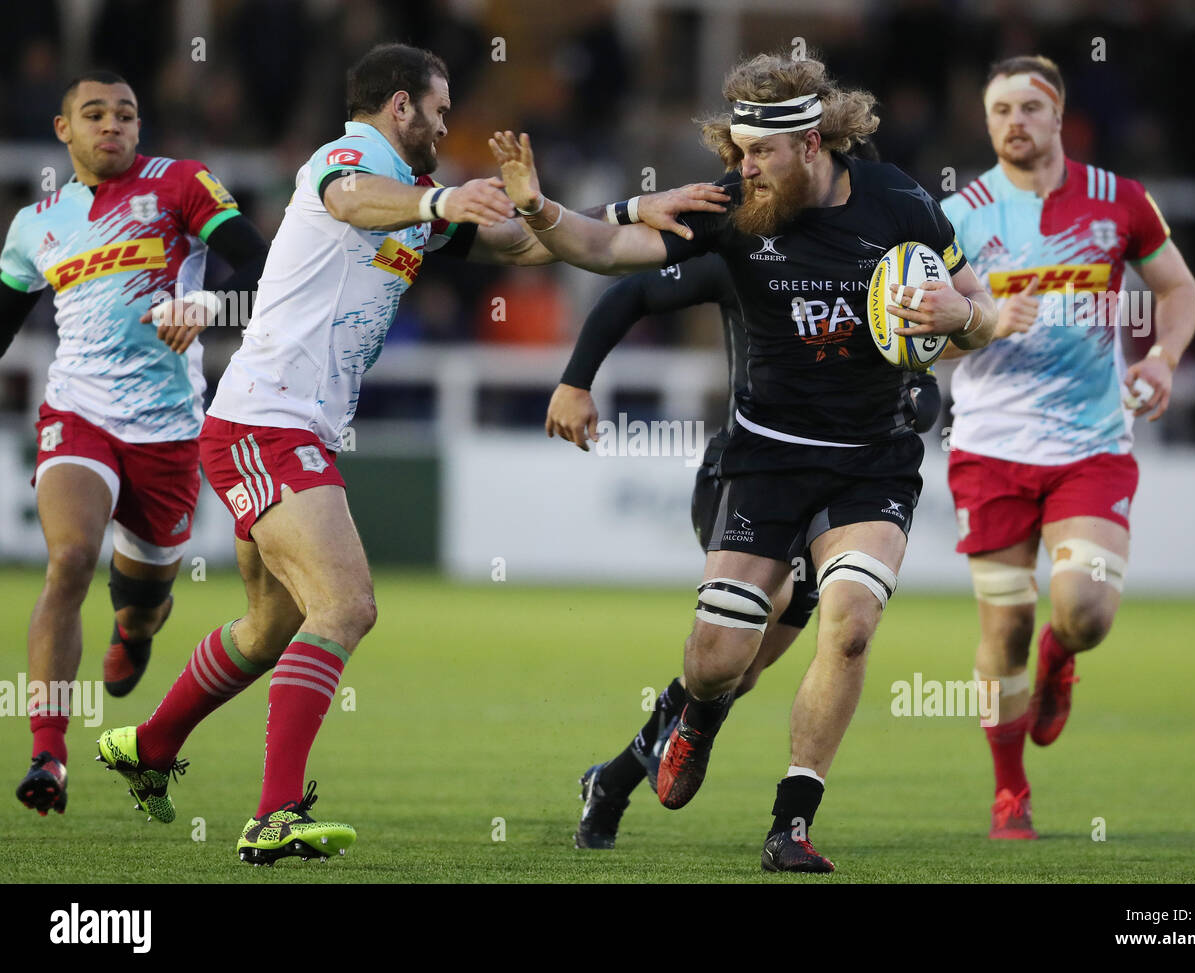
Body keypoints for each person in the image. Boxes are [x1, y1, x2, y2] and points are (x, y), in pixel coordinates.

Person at [94, 43, 728, 865]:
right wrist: (436, 201)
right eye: (438, 107)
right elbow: (354, 200)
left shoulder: (414, 202)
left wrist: (628, 213)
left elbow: (523, 246)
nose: (444, 120)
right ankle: (273, 815)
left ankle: (145, 746)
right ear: (400, 105)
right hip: (264, 424)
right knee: (348, 605)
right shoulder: (354, 159)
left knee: (268, 624)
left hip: (288, 427)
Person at [492, 51, 996, 872]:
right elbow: (609, 259)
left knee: (852, 627)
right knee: (725, 660)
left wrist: (959, 314)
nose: (742, 166)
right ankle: (684, 725)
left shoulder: (901, 202)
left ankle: (789, 825)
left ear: (811, 144)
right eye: (738, 150)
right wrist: (542, 209)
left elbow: (984, 314)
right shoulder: (730, 208)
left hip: (873, 463)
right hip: (764, 460)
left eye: (759, 152)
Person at [546, 252, 941, 849]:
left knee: (743, 673)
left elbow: (921, 381)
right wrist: (576, 379)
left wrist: (919, 399)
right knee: (736, 643)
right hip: (749, 476)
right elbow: (632, 293)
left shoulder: (876, 267)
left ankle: (612, 780)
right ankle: (667, 774)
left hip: (838, 492)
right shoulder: (748, 250)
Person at [939, 55, 1195, 839]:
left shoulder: (1120, 201)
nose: (1014, 122)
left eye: (1029, 107)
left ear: (1059, 116)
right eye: (999, 111)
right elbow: (922, 343)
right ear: (986, 125)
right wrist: (980, 323)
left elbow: (1178, 290)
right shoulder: (956, 216)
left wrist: (1162, 357)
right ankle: (1009, 791)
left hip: (1090, 442)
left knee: (1084, 611)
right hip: (989, 447)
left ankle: (1063, 657)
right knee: (1001, 632)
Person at [0, 70, 268, 816]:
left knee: (142, 606)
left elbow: (263, 265)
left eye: (126, 113)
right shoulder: (36, 227)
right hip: (77, 413)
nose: (112, 125)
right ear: (65, 132)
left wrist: (209, 299)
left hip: (168, 429)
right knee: (68, 558)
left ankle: (137, 627)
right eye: (95, 114)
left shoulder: (181, 185)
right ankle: (48, 755)